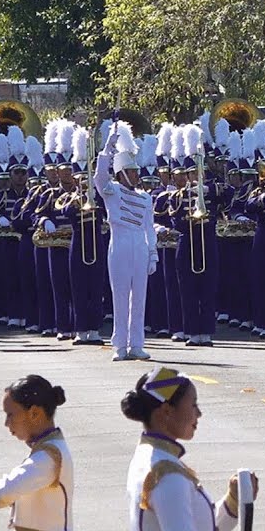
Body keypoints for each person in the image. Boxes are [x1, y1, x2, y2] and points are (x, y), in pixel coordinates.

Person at [122, 367, 259, 531]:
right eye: (193, 405)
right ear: (167, 411)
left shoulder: (152, 458)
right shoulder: (167, 475)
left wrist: (232, 503)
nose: (199, 413)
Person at [0, 375, 85, 531]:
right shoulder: (44, 452)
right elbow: (32, 525)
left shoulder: (49, 457)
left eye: (11, 414)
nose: (7, 423)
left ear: (34, 413)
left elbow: (5, 492)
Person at [96, 123, 157, 362]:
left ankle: (137, 344)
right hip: (119, 243)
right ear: (121, 174)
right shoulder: (113, 192)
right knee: (120, 296)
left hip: (139, 246)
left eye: (135, 171)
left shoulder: (145, 197)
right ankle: (119, 345)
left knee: (139, 298)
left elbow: (149, 228)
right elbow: (100, 178)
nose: (135, 175)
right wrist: (107, 150)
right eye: (130, 172)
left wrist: (153, 254)